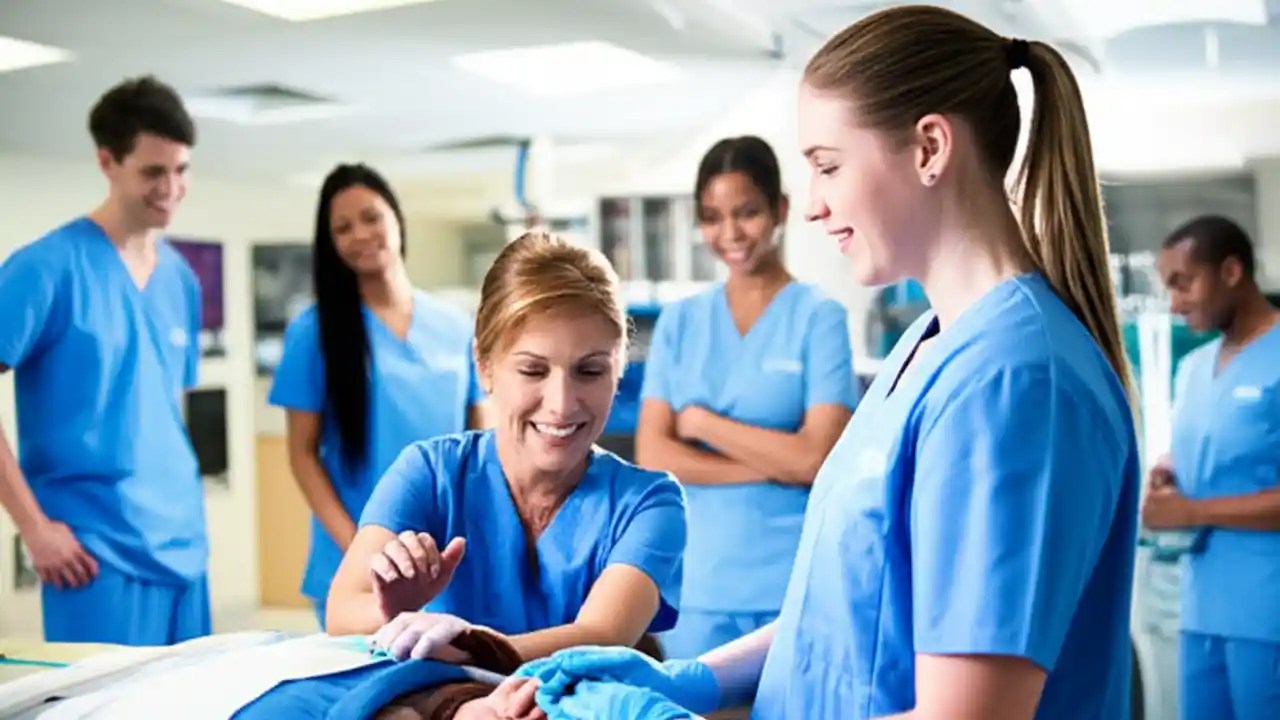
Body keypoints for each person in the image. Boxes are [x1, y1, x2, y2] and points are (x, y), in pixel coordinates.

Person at [514, 6, 1142, 720]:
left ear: (930, 147)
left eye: (828, 167)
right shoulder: (927, 348)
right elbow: (846, 611)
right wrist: (698, 679)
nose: (812, 207)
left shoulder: (1016, 382)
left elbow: (966, 716)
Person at [324, 231, 688, 717]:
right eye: (534, 371)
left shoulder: (649, 504)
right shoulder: (430, 474)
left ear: (619, 368)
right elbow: (342, 611)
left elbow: (600, 637)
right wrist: (394, 613)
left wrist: (466, 643)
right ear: (485, 365)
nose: (561, 404)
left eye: (590, 371)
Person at [0, 76, 210, 645]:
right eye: (152, 171)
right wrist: (33, 529)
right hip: (93, 553)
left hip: (184, 544)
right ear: (107, 161)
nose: (170, 187)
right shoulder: (44, 269)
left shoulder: (181, 280)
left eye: (181, 170)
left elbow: (159, 413)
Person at [636, 135, 856, 660]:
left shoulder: (818, 317)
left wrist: (704, 426)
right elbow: (655, 455)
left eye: (748, 212)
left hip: (792, 580)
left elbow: (820, 457)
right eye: (712, 217)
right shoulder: (681, 322)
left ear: (780, 210)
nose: (729, 234)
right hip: (700, 583)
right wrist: (779, 461)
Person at [268, 163, 486, 629]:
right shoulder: (314, 332)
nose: (360, 234)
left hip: (444, 557)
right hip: (356, 565)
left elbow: (481, 442)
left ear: (396, 218)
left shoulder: (454, 326)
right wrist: (360, 548)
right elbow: (303, 456)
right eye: (342, 228)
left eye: (370, 217)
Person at [1145, 215, 1280, 720]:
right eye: (1168, 287)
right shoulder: (1194, 369)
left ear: (1230, 271)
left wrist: (1192, 511)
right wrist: (1172, 472)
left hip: (1267, 611)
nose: (1174, 302)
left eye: (1183, 283)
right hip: (1200, 606)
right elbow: (1218, 455)